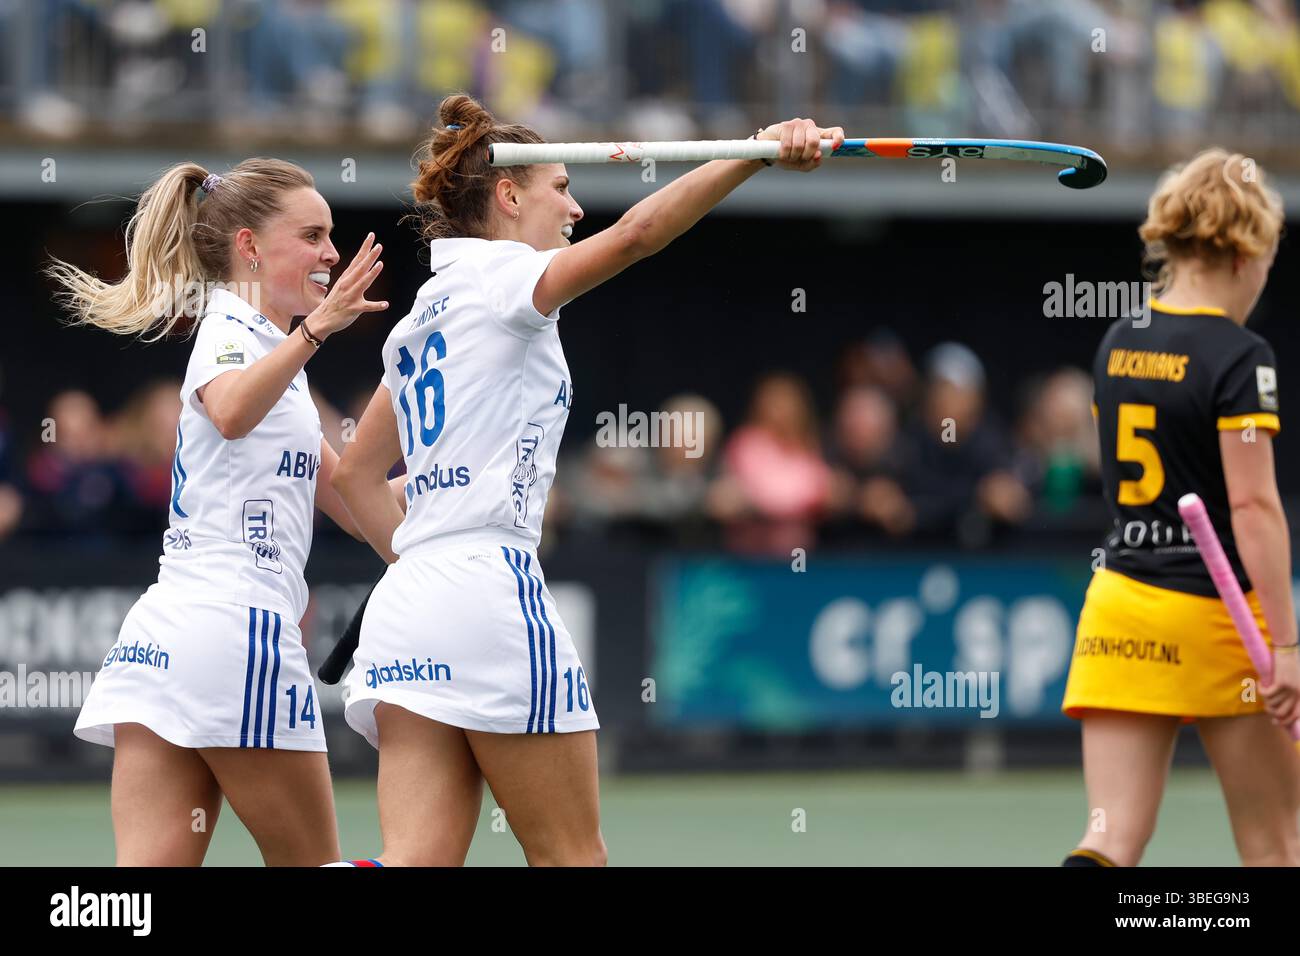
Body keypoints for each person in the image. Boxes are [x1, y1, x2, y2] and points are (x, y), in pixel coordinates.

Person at [331, 93, 842, 866]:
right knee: (574, 858)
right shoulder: (507, 282)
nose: (574, 209)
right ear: (507, 196)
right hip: (488, 589)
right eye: (559, 189)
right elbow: (637, 235)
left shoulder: (420, 317)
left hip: (410, 610)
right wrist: (755, 151)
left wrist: (428, 565)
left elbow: (356, 481)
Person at [48, 158, 390, 866]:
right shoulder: (233, 328)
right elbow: (232, 411)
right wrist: (318, 329)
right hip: (236, 632)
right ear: (249, 247)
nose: (331, 252)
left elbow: (356, 500)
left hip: (170, 640)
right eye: (313, 234)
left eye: (331, 234)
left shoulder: (279, 361)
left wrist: (463, 493)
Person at [1061, 148, 1300, 867]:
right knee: (1276, 843)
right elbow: (1255, 506)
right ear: (1243, 249)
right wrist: (1287, 647)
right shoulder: (1241, 355)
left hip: (1122, 603)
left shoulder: (1119, 339)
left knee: (1109, 837)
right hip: (1218, 615)